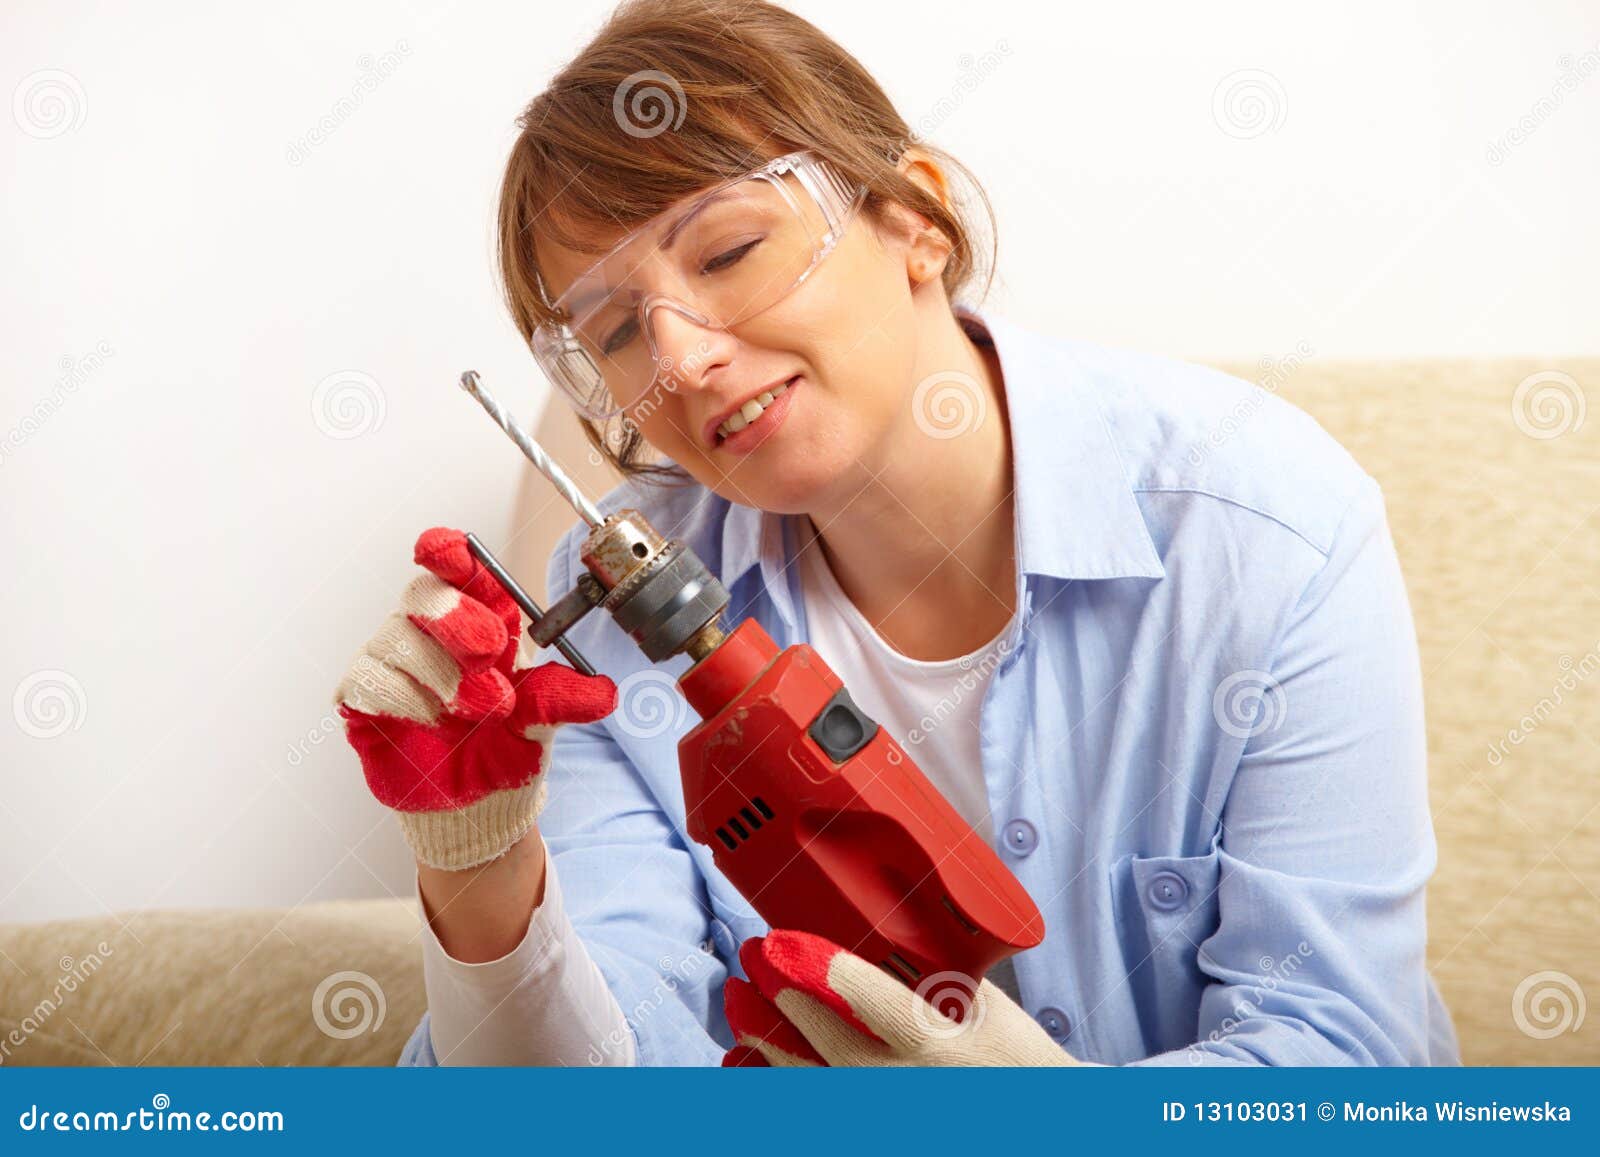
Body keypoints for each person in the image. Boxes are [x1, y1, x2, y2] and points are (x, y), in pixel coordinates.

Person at [333, 0, 1460, 1067]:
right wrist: (482, 872)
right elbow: (615, 1086)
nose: (679, 357)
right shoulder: (615, 627)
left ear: (913, 220)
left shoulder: (1261, 528)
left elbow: (1345, 1058)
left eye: (726, 252)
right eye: (619, 331)